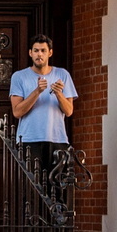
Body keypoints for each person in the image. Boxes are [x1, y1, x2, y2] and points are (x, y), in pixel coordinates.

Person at [7, 34, 77, 179]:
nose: (39, 54)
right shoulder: (19, 77)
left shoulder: (62, 74)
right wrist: (37, 91)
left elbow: (69, 111)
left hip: (57, 139)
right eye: (36, 50)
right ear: (30, 53)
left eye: (43, 51)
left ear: (50, 53)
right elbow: (17, 112)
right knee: (31, 188)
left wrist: (58, 93)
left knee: (57, 187)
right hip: (28, 140)